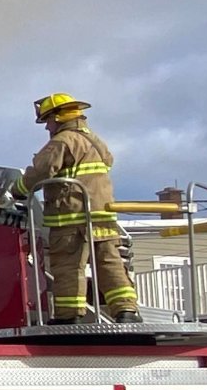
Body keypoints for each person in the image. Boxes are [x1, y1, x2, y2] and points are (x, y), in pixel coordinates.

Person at [18, 93, 141, 324]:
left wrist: (16, 189)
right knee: (109, 263)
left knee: (67, 265)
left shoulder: (62, 141)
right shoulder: (95, 140)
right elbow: (107, 163)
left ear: (58, 117)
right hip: (102, 216)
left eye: (47, 121)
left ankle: (69, 315)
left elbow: (40, 172)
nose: (47, 128)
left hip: (72, 217)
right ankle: (126, 311)